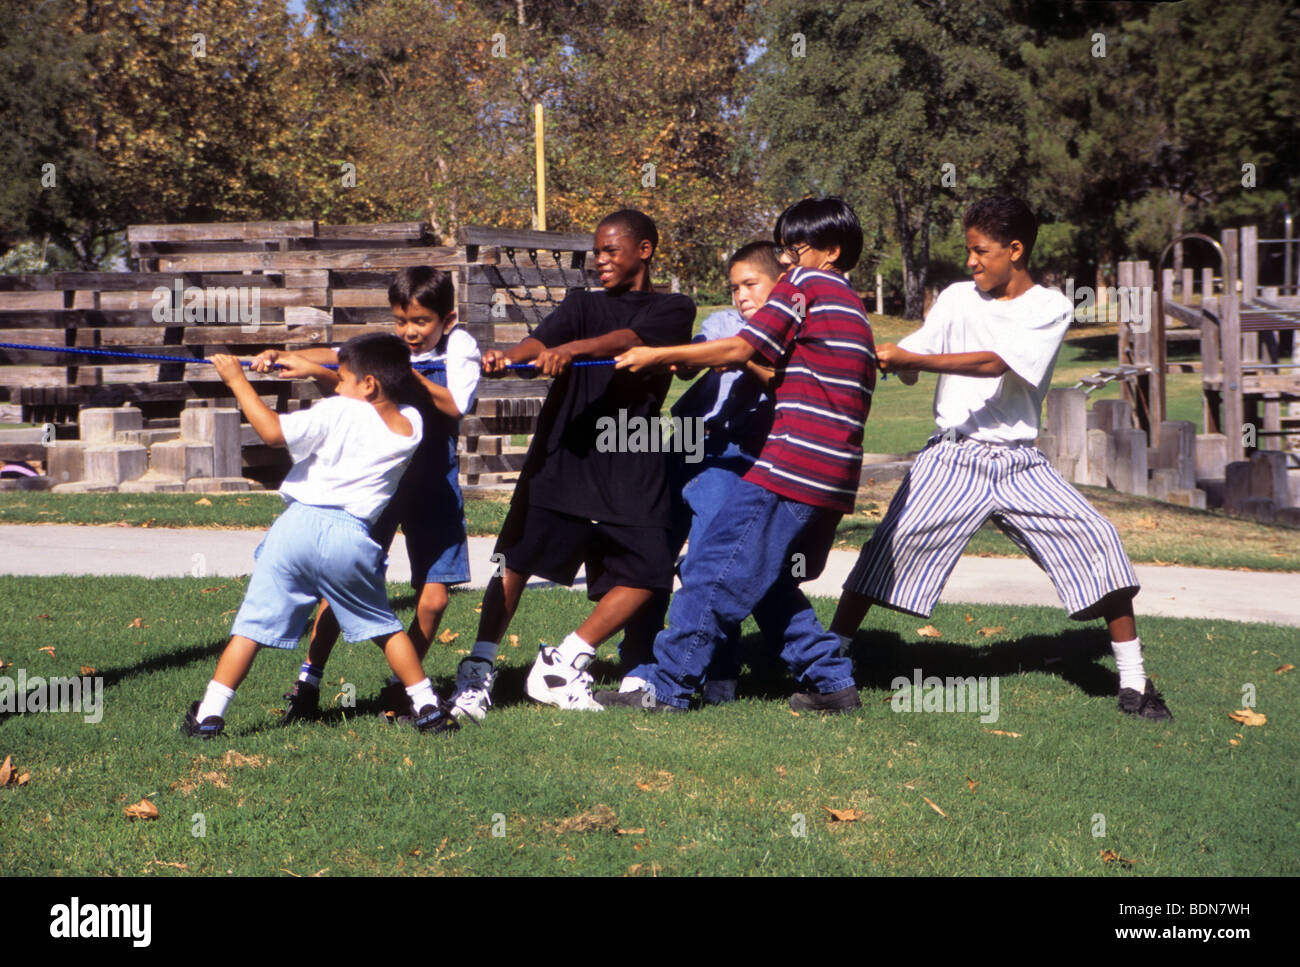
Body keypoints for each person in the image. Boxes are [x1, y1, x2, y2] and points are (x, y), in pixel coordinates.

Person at [830, 195, 1172, 721]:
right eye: (968, 250)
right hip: (953, 455)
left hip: (1019, 462)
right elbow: (915, 359)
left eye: (979, 251)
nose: (970, 261)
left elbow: (994, 364)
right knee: (886, 549)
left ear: (1015, 250)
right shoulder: (956, 298)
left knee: (1098, 538)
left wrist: (912, 357)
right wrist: (897, 360)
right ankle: (828, 667)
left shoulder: (1050, 307)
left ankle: (1134, 681)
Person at [599, 197, 875, 713]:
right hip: (831, 470)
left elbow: (740, 349)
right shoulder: (853, 307)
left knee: (708, 567)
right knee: (758, 573)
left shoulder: (804, 285)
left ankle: (669, 688)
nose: (787, 261)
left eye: (796, 249)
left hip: (791, 463)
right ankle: (832, 683)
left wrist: (660, 354)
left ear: (831, 251)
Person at [426, 209, 695, 731]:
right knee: (517, 560)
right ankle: (479, 667)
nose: (601, 260)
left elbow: (626, 342)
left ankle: (565, 659)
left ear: (644, 250)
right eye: (597, 251)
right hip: (564, 446)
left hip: (629, 447)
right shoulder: (579, 303)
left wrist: (570, 351)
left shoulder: (673, 307)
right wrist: (515, 355)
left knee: (651, 566)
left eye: (611, 250)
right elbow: (540, 342)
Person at [182, 333, 447, 736]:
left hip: (296, 528)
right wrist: (314, 369)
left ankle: (209, 715)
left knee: (251, 627)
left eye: (340, 378)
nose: (335, 384)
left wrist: (236, 379)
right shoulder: (412, 423)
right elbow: (365, 400)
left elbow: (272, 432)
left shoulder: (338, 409)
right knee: (385, 627)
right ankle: (428, 706)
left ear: (368, 384)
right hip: (352, 539)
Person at [250, 266, 480, 723]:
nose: (410, 332)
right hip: (376, 491)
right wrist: (290, 354)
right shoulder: (390, 352)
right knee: (339, 589)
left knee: (433, 598)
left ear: (447, 317)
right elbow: (340, 354)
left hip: (434, 486)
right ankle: (308, 681)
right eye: (401, 321)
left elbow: (456, 404)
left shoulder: (460, 346)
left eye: (421, 321)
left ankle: (404, 688)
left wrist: (400, 374)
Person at [616, 240, 783, 705]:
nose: (741, 296)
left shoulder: (791, 336)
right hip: (689, 442)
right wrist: (675, 355)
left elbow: (758, 366)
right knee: (652, 554)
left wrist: (738, 353)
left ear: (781, 284)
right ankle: (638, 663)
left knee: (709, 563)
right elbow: (697, 360)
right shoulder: (722, 324)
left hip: (738, 459)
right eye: (734, 288)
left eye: (751, 284)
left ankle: (719, 671)